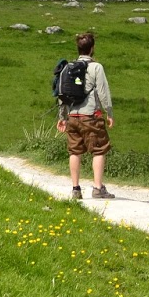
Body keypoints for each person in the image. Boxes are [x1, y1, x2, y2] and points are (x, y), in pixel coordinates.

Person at [55, 32, 115, 200]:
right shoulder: (96, 67)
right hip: (91, 116)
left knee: (75, 151)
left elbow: (63, 93)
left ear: (78, 48)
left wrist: (62, 117)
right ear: (92, 48)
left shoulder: (68, 67)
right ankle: (97, 188)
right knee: (98, 150)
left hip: (73, 117)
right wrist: (109, 112)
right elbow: (103, 93)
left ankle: (75, 189)